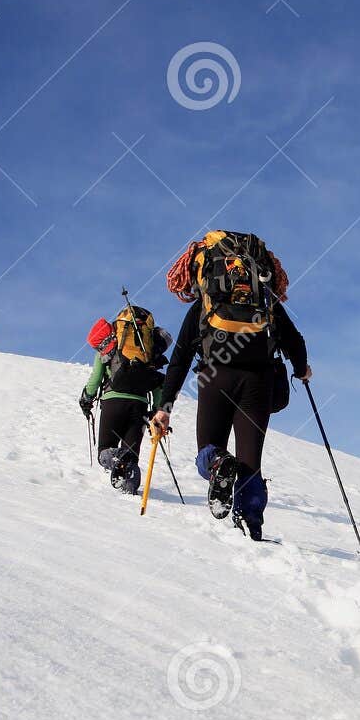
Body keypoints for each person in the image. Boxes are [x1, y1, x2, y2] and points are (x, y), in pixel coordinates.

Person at [150, 232, 310, 541]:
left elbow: (180, 359)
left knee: (207, 452)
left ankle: (218, 463)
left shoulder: (204, 307)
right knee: (251, 461)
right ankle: (252, 523)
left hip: (215, 378)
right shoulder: (265, 303)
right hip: (258, 382)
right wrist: (302, 370)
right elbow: (295, 341)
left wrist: (164, 407)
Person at [80, 308, 171, 495]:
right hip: (139, 407)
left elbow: (96, 378)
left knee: (105, 452)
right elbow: (156, 386)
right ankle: (129, 491)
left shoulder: (108, 348)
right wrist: (156, 410)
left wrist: (86, 399)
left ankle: (118, 459)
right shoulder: (148, 351)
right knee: (131, 457)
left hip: (113, 402)